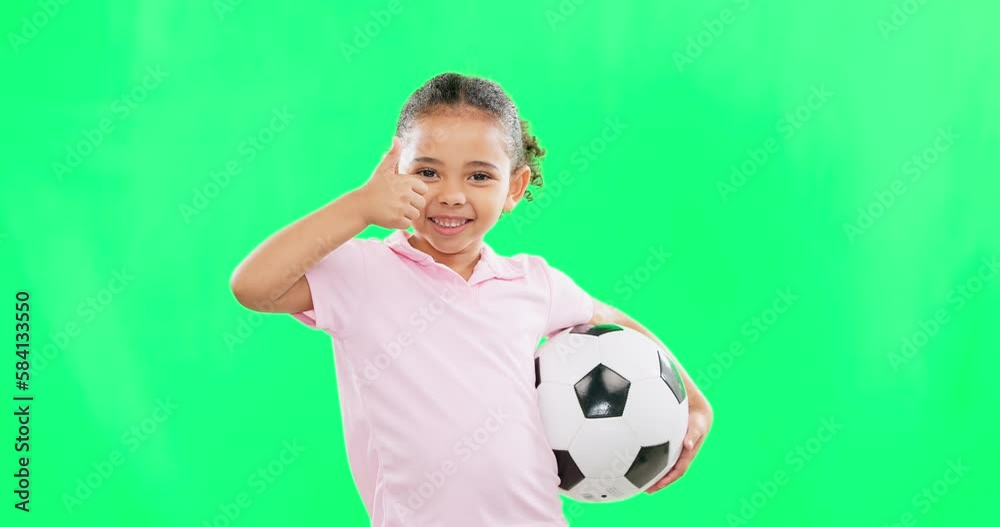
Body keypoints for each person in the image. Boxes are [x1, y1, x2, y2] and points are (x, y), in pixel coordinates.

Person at [230, 72, 713, 526]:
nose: (452, 196)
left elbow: (611, 324)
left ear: (515, 188)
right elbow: (253, 285)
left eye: (479, 176)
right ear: (395, 172)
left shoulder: (530, 282)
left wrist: (693, 402)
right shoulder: (360, 272)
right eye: (427, 172)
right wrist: (360, 206)